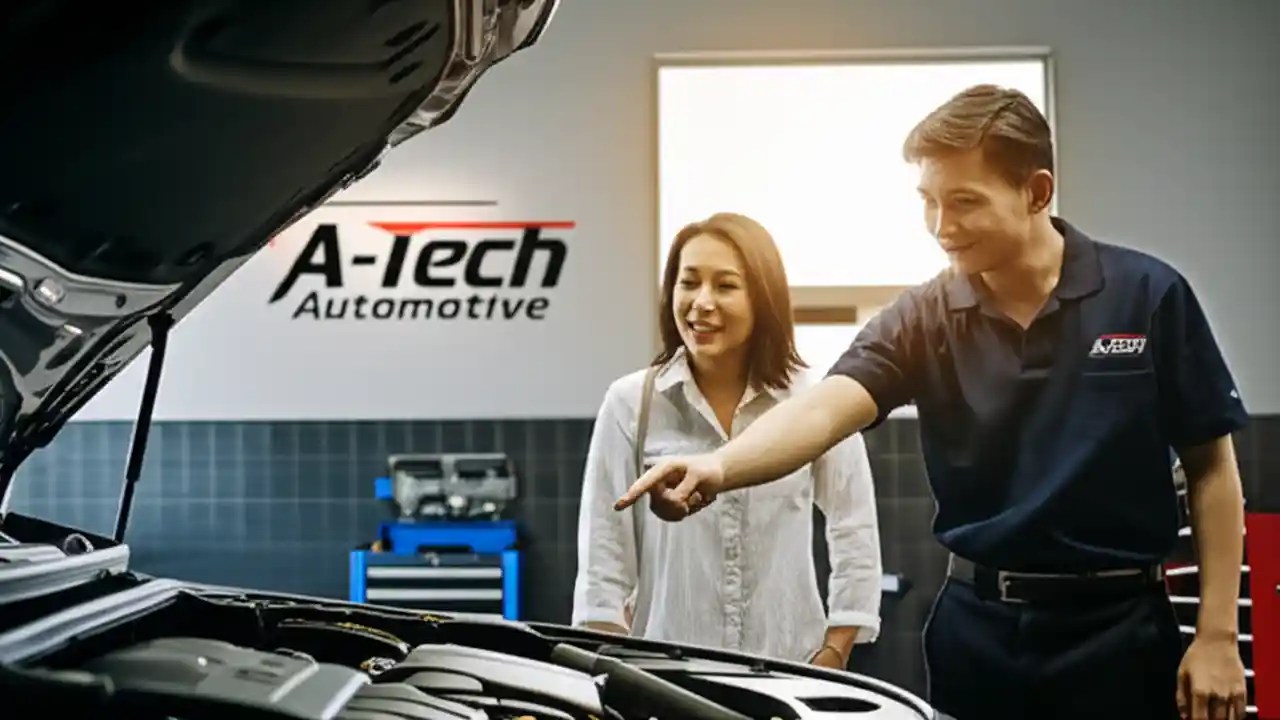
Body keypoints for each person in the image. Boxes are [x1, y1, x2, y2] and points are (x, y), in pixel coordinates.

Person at [614, 86, 1249, 720]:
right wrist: (718, 469)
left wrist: (1218, 635)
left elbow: (1212, 468)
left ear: (1037, 191)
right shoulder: (925, 316)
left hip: (1120, 635)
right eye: (929, 202)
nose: (942, 227)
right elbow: (826, 409)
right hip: (979, 633)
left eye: (965, 203)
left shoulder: (1147, 295)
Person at [572, 211, 883, 668]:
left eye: (725, 285)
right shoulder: (630, 404)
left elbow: (854, 530)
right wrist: (616, 670)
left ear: (764, 298)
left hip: (788, 666)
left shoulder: (814, 403)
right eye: (689, 282)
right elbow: (604, 558)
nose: (701, 302)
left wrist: (835, 650)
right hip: (666, 673)